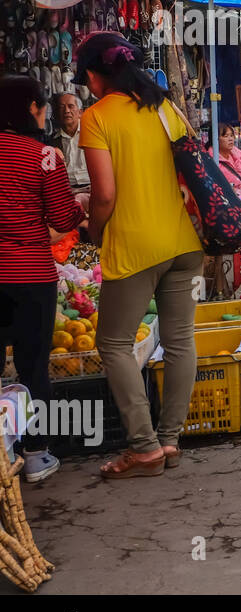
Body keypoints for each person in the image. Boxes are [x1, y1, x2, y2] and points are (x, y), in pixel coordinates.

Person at [74, 32, 204, 480]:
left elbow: (105, 195)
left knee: (111, 344)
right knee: (181, 340)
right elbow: (190, 171)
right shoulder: (164, 106)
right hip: (184, 244)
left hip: (134, 248)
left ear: (94, 73)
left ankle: (144, 447)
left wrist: (92, 231)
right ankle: (169, 440)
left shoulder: (96, 117)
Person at [0, 76, 86, 483]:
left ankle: (4, 456)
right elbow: (63, 219)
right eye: (42, 106)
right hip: (31, 276)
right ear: (31, 108)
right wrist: (80, 206)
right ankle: (36, 455)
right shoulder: (45, 156)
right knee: (33, 367)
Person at [53, 91, 90, 188]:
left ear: (80, 113)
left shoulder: (92, 135)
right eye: (62, 107)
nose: (66, 111)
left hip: (92, 187)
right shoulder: (52, 142)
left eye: (71, 106)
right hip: (66, 189)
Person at [217, 123, 241, 191]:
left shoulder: (239, 153)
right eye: (226, 136)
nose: (230, 139)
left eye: (232, 135)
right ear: (215, 139)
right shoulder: (211, 159)